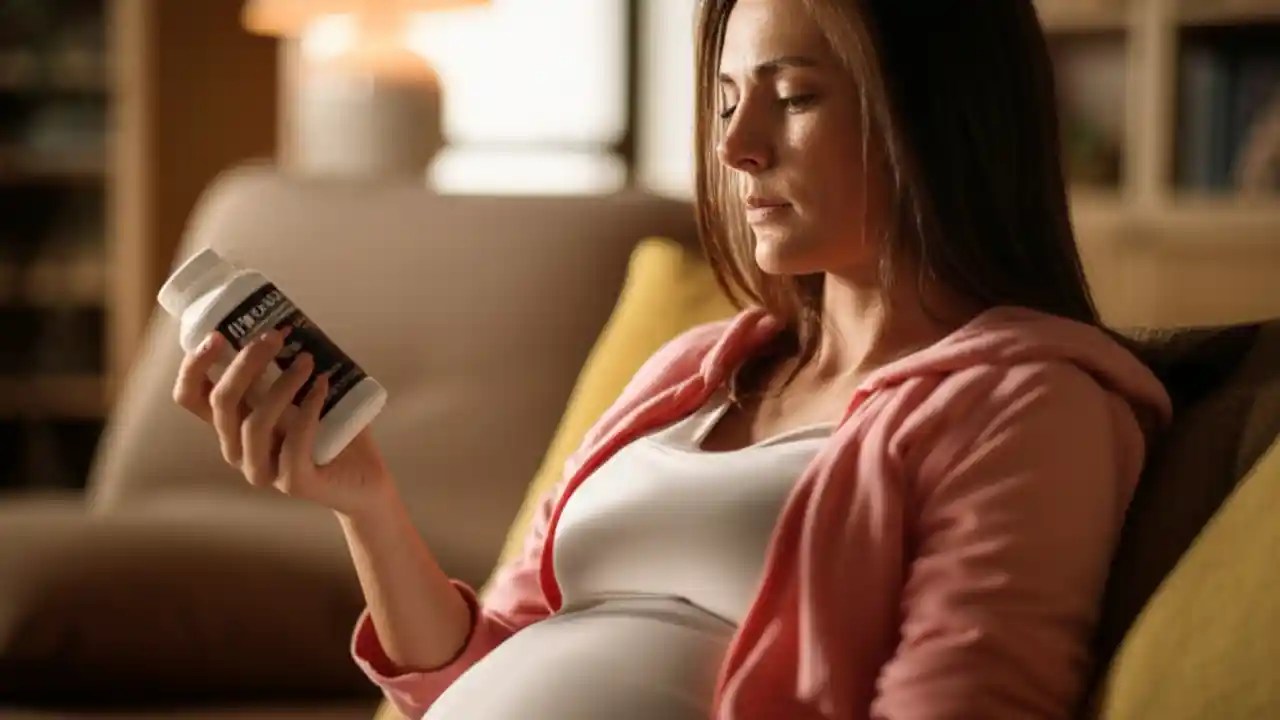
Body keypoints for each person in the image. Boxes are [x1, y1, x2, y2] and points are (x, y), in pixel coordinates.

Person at [173, 0, 1172, 717]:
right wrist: (364, 502)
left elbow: (963, 699)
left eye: (794, 97)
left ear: (936, 115)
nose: (736, 147)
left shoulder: (1028, 406)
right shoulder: (693, 370)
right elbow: (475, 672)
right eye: (727, 100)